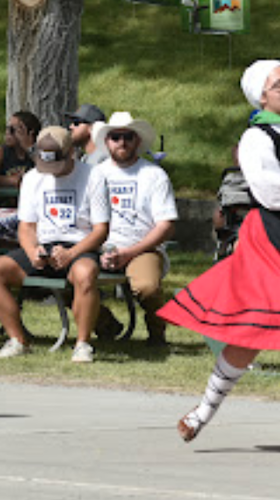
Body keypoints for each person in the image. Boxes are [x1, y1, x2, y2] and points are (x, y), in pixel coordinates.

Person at [159, 60, 280, 458]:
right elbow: (272, 192)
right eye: (278, 84)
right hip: (274, 242)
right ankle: (201, 413)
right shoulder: (256, 138)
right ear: (261, 96)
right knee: (252, 333)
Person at [0, 126, 107, 363]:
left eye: (57, 165)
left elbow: (101, 230)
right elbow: (26, 226)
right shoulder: (31, 178)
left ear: (71, 153)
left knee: (85, 273)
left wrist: (71, 253)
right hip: (44, 245)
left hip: (79, 245)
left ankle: (82, 344)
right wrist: (32, 251)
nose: (52, 172)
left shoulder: (93, 176)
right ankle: (18, 340)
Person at [86, 112, 179, 347]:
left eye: (128, 136)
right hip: (100, 248)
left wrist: (129, 252)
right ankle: (105, 323)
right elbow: (84, 220)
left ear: (137, 140)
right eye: (115, 137)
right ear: (106, 141)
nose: (122, 142)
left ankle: (157, 331)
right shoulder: (95, 174)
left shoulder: (154, 175)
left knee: (147, 288)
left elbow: (166, 225)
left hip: (143, 248)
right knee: (67, 278)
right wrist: (97, 249)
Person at [0, 110, 39, 188]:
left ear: (29, 132)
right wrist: (10, 180)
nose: (7, 133)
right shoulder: (0, 152)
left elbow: (48, 172)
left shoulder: (39, 152)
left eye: (12, 130)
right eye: (7, 128)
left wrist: (29, 148)